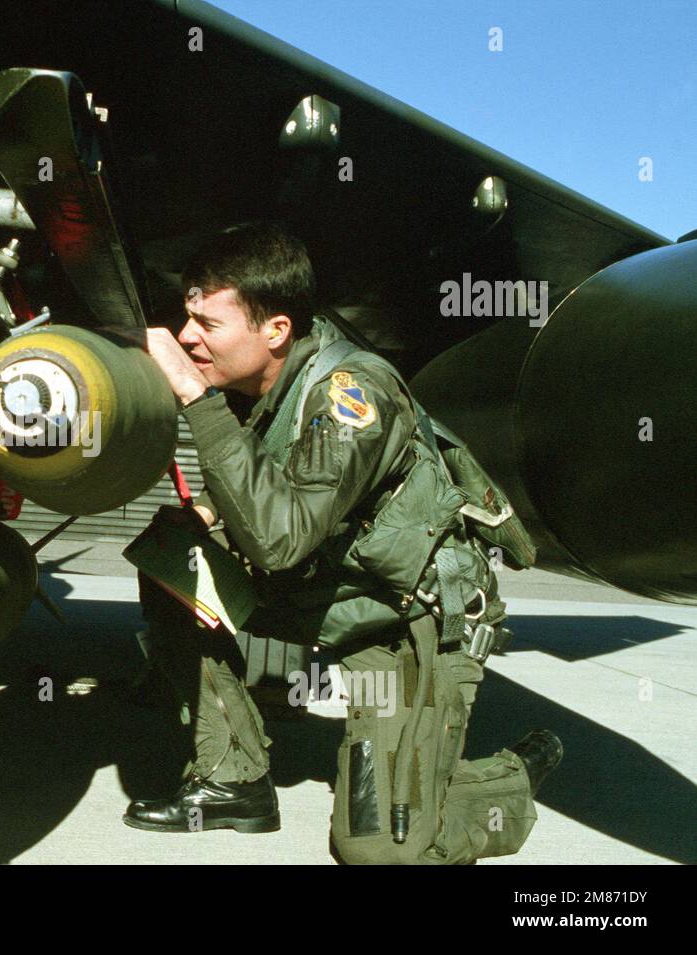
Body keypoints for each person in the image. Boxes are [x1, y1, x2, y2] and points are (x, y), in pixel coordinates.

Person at [126, 222, 562, 864]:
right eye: (186, 318)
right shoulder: (255, 389)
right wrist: (213, 516)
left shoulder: (353, 394)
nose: (187, 337)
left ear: (275, 330)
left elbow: (280, 539)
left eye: (207, 325)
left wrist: (194, 399)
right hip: (325, 598)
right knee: (172, 558)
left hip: (405, 623)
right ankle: (234, 779)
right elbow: (287, 486)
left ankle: (509, 776)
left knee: (379, 850)